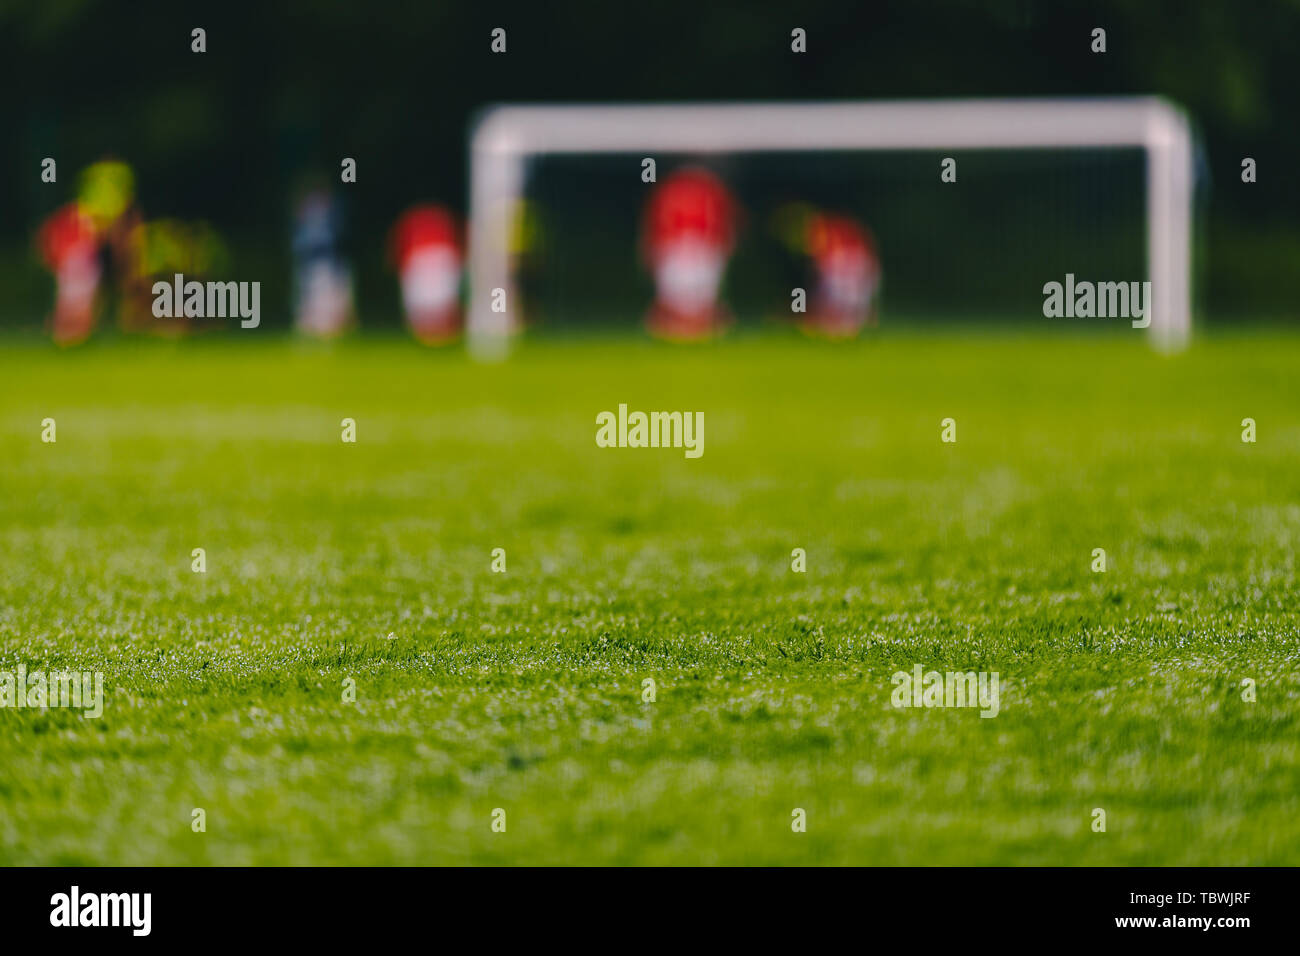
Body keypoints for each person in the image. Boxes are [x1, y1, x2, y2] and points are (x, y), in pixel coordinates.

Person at [641, 167, 737, 341]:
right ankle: (682, 328)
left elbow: (724, 225)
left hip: (702, 251)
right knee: (676, 302)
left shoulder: (710, 189)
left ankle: (693, 328)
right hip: (676, 250)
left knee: (700, 302)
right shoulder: (670, 190)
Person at [388, 204, 462, 344]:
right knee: (428, 303)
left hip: (435, 261)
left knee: (437, 303)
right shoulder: (418, 223)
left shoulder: (433, 226)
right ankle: (432, 336)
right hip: (425, 261)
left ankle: (440, 336)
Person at [801, 212, 880, 338]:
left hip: (847, 281)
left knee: (838, 315)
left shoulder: (834, 240)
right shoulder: (850, 238)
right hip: (855, 281)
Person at [292, 188, 354, 337]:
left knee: (325, 300)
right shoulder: (305, 226)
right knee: (307, 299)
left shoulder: (330, 223)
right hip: (309, 266)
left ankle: (326, 330)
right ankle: (308, 329)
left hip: (325, 266)